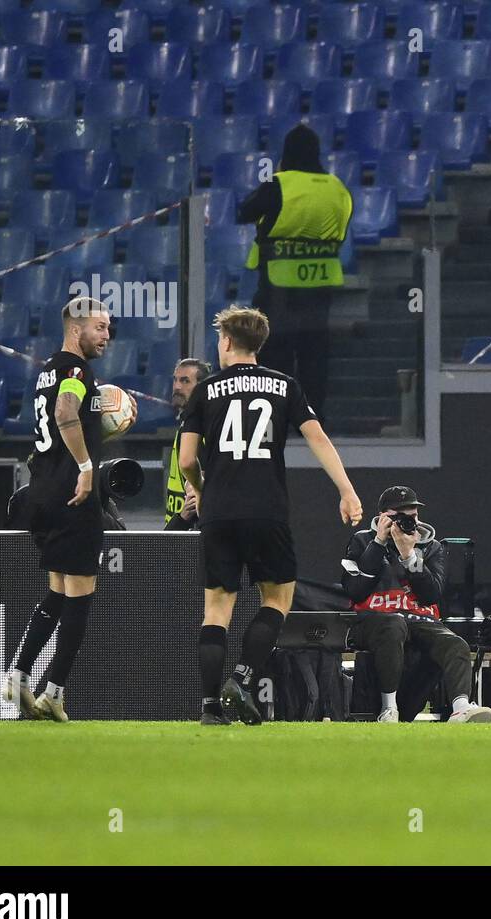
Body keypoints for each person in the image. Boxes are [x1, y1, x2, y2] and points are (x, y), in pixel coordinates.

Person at [179, 305, 364, 726]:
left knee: (217, 608)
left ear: (226, 341)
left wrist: (203, 489)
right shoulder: (284, 386)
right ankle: (242, 678)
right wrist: (346, 490)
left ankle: (209, 708)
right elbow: (317, 438)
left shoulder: (205, 389)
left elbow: (187, 457)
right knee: (277, 600)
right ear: (258, 344)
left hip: (220, 512)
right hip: (266, 510)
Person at [2, 297, 111, 722]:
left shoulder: (49, 368)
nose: (105, 336)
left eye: (107, 329)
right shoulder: (76, 370)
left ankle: (19, 673)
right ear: (75, 328)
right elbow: (67, 410)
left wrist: (99, 433)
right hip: (73, 497)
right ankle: (54, 692)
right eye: (99, 327)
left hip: (42, 494)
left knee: (58, 592)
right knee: (80, 598)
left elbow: (68, 419)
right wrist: (87, 467)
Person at [342, 487, 491, 722]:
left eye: (411, 516)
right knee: (394, 625)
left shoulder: (431, 547)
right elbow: (355, 589)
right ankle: (389, 708)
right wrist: (379, 542)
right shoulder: (362, 540)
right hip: (375, 620)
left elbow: (431, 595)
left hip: (419, 619)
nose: (406, 521)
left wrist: (410, 557)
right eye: (399, 516)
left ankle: (461, 706)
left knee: (454, 643)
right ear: (383, 516)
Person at [238, 123, 353, 417]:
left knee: (276, 353)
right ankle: (313, 417)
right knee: (315, 355)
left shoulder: (280, 184)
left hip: (280, 289)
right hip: (320, 288)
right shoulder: (337, 187)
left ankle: (277, 415)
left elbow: (244, 211)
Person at [164, 358, 211, 530]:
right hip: (180, 527)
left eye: (185, 381)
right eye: (175, 380)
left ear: (202, 388)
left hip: (192, 531)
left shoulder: (202, 430)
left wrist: (180, 521)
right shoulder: (186, 424)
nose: (177, 386)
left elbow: (198, 492)